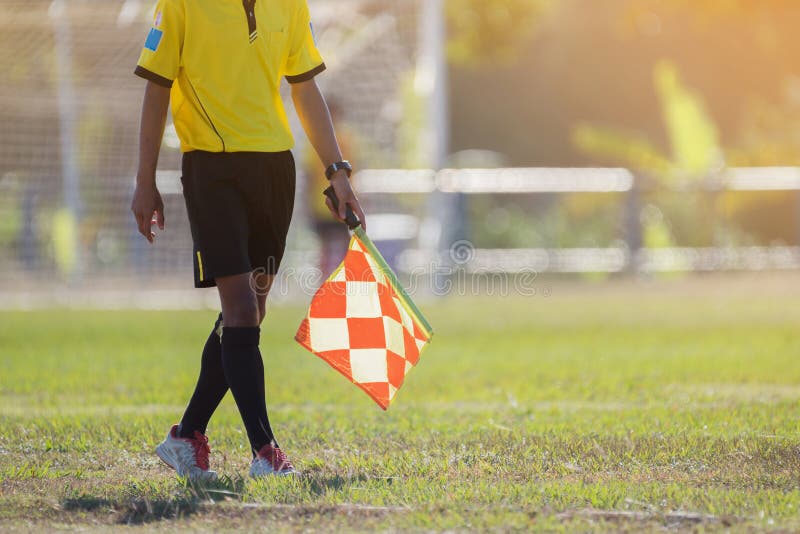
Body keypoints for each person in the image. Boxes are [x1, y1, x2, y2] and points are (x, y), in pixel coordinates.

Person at [130, 0, 366, 481]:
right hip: (211, 169)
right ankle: (266, 450)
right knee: (239, 311)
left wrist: (337, 170)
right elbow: (157, 90)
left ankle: (185, 435)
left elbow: (305, 87)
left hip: (274, 169)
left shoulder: (291, 5)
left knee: (250, 314)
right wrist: (144, 180)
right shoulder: (179, 4)